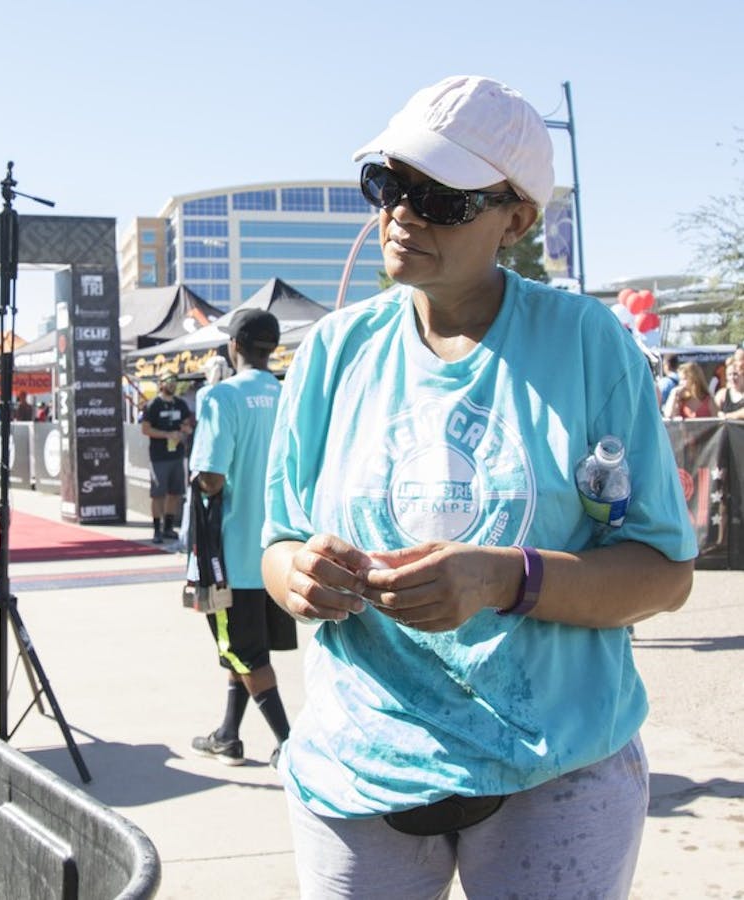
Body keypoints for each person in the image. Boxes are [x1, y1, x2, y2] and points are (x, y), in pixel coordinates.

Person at [260, 76, 695, 898]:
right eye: (387, 184)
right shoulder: (331, 352)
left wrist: (503, 577)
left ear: (516, 219)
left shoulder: (588, 345)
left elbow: (663, 573)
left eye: (440, 198)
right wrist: (302, 577)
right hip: (358, 767)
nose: (402, 213)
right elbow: (279, 540)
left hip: (554, 768)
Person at [187, 310, 294, 769]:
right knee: (244, 649)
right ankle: (228, 735)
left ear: (234, 348)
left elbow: (211, 476)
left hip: (229, 555)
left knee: (243, 651)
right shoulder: (290, 395)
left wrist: (202, 480)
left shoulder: (220, 397)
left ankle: (290, 745)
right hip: (278, 550)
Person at [141, 373, 193, 543]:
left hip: (177, 455)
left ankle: (168, 528)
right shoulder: (153, 405)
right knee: (158, 494)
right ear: (161, 384)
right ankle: (157, 530)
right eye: (168, 382)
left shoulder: (180, 403)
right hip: (159, 457)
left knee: (175, 493)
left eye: (174, 382)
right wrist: (166, 434)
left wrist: (184, 430)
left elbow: (187, 423)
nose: (172, 385)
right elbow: (146, 429)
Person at [714, 355, 744, 419]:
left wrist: (727, 416)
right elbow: (713, 411)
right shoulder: (722, 394)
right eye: (729, 375)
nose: (732, 378)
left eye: (735, 374)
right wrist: (718, 414)